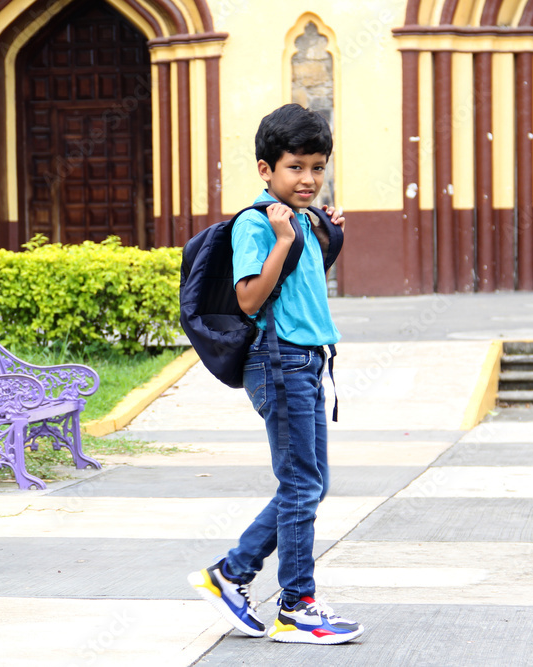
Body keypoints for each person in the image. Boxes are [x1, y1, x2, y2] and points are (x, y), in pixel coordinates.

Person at [187, 103, 363, 645]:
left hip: (307, 360)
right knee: (302, 484)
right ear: (266, 169)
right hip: (279, 361)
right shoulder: (257, 223)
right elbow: (248, 299)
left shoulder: (304, 219)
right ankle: (296, 604)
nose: (308, 179)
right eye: (295, 167)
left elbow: (300, 290)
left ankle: (233, 573)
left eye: (317, 166)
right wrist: (284, 240)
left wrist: (323, 238)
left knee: (310, 483)